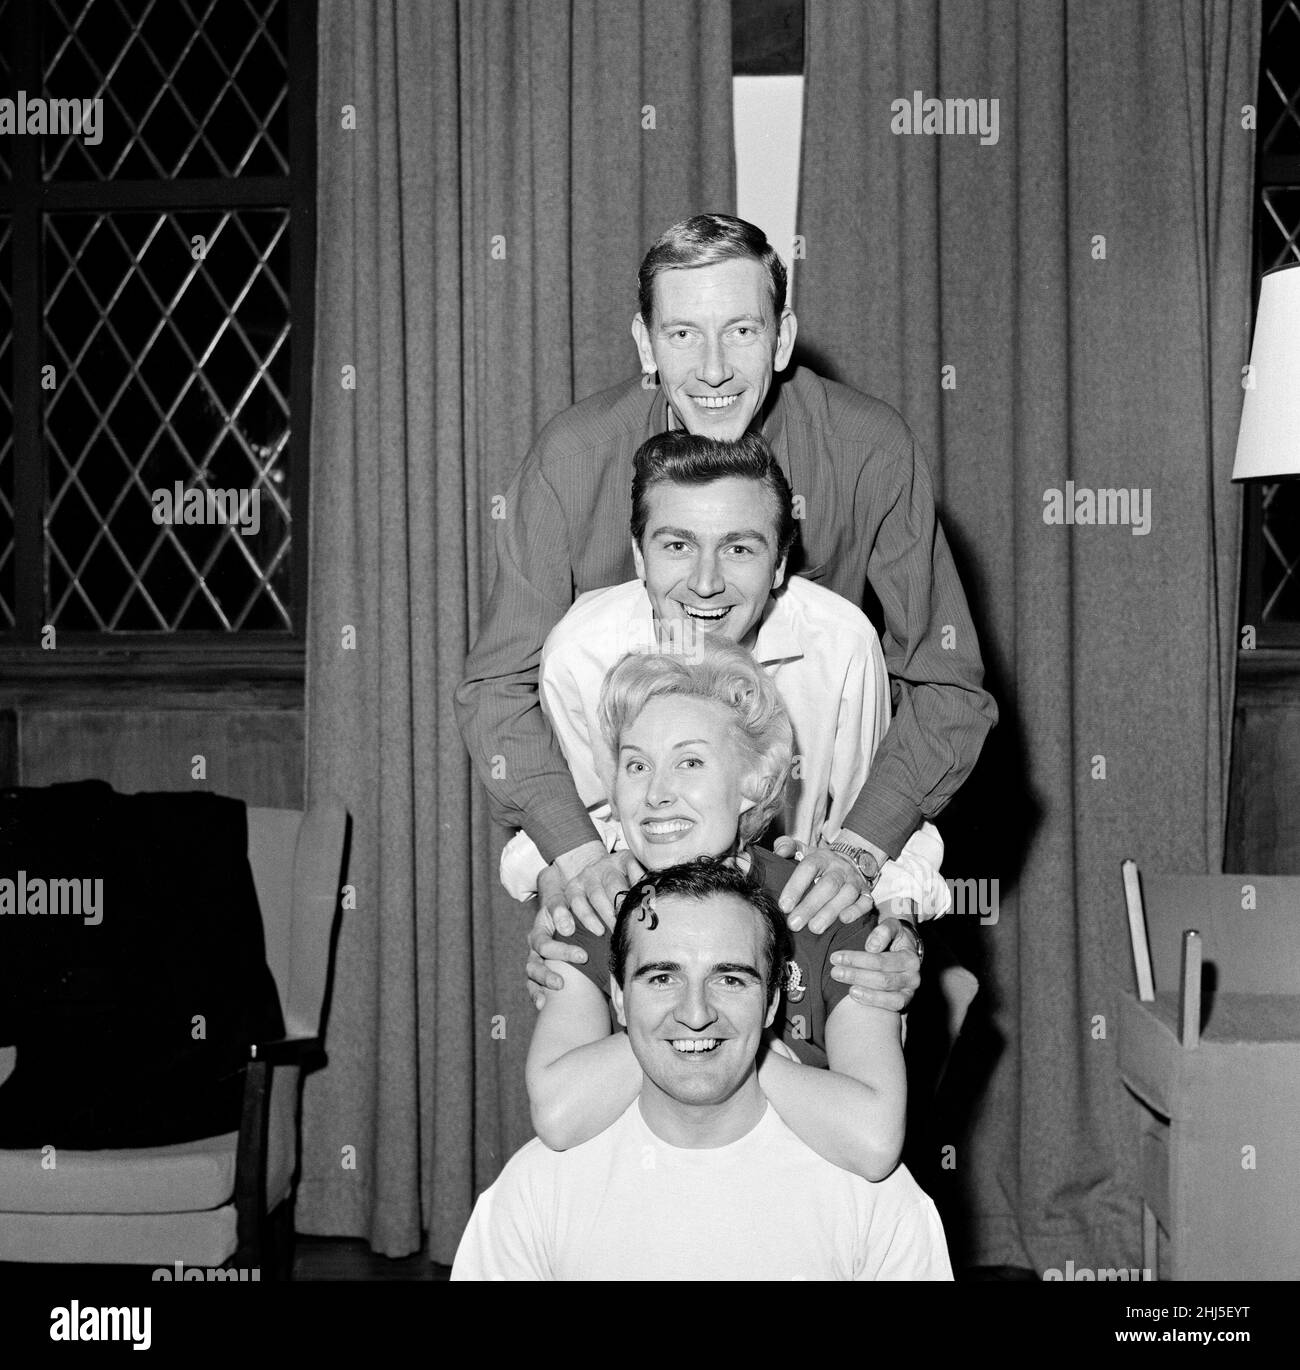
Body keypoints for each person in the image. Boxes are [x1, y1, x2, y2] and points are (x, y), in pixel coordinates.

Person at [455, 213, 995, 992]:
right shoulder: (571, 460)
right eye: (682, 335)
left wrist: (861, 860)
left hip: (808, 831)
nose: (712, 369)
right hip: (639, 843)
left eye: (741, 330)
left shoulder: (870, 449)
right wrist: (574, 862)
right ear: (644, 343)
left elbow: (946, 687)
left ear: (782, 338)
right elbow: (497, 690)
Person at [451, 858, 953, 1281]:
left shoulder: (880, 1206)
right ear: (620, 1001)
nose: (695, 1014)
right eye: (663, 977)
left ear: (774, 1001)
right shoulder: (534, 1193)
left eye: (731, 979)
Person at [527, 638, 906, 1182]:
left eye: (690, 762)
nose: (656, 792)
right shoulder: (594, 908)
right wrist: (708, 1047)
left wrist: (730, 1050)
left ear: (754, 783)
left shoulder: (823, 907)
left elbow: (872, 1142)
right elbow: (560, 1116)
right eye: (636, 765)